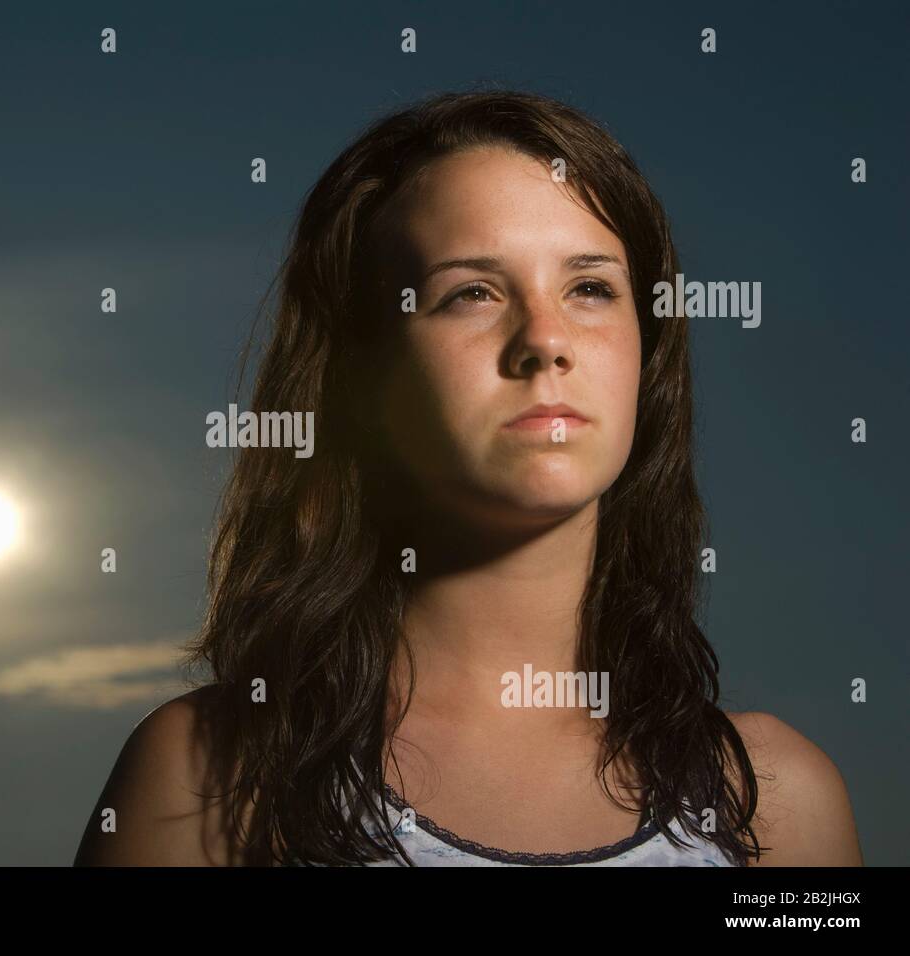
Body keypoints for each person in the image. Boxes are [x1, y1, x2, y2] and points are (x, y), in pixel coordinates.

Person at [73, 88, 862, 867]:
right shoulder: (208, 783)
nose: (546, 341)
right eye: (471, 293)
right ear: (363, 373)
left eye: (590, 287)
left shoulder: (776, 805)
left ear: (646, 356)